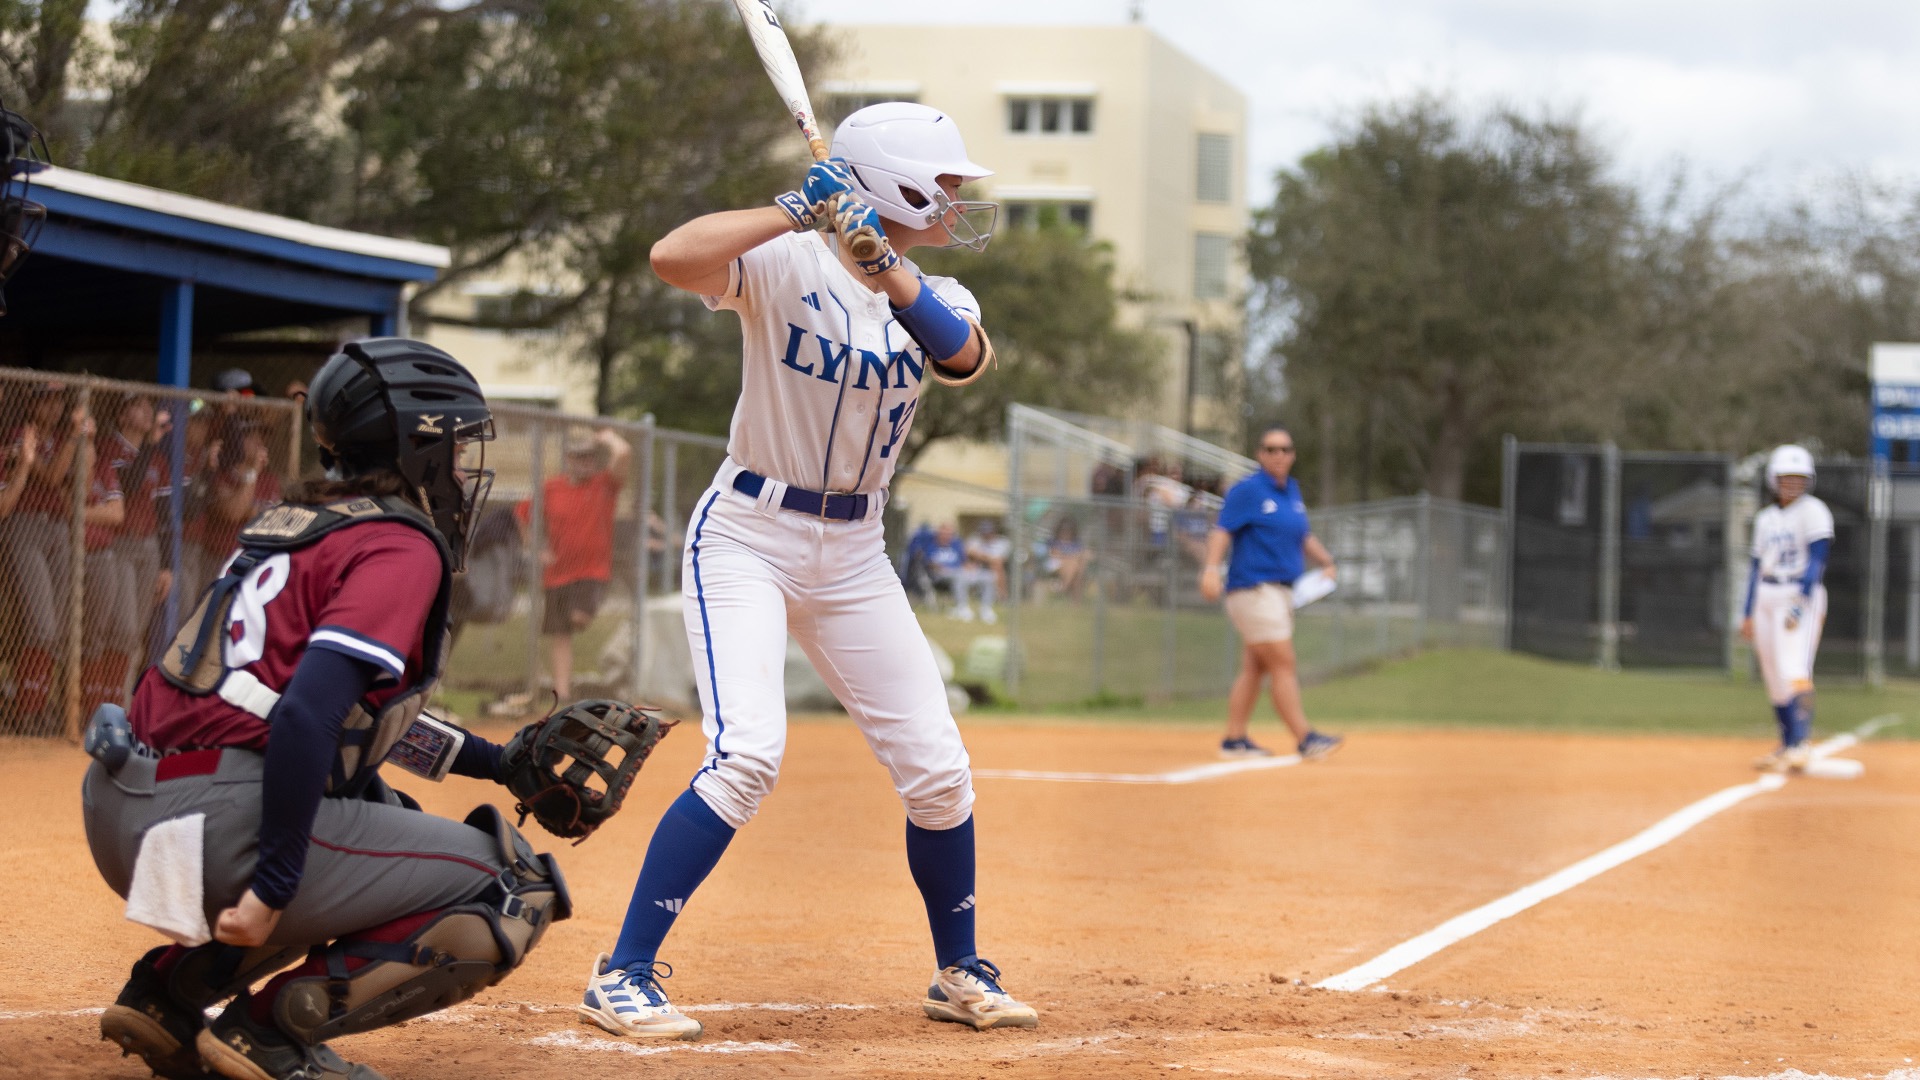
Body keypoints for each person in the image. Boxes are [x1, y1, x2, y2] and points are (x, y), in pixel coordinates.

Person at [580, 101, 1036, 1040]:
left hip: (856, 553)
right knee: (746, 754)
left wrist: (886, 266)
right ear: (895, 182)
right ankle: (622, 973)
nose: (953, 201)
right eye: (942, 186)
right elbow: (672, 257)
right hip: (749, 531)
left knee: (940, 773)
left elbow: (964, 354)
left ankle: (959, 970)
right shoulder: (782, 262)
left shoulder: (940, 293)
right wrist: (798, 208)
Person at [84, 338, 570, 1080]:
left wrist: (496, 763)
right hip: (219, 824)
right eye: (458, 446)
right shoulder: (400, 542)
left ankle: (168, 995)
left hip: (129, 807)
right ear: (419, 446)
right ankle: (271, 1034)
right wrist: (271, 891)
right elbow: (307, 716)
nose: (466, 470)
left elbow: (331, 709)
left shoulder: (295, 523)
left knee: (372, 798)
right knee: (515, 885)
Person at [1198, 426, 1344, 761]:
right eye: (1270, 449)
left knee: (1255, 667)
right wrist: (1209, 569)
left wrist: (1326, 561)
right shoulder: (1248, 491)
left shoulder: (1291, 491)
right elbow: (1222, 531)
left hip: (1281, 593)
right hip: (1253, 590)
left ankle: (1234, 740)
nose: (1278, 455)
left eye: (1285, 449)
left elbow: (1302, 535)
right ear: (1260, 454)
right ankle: (1305, 738)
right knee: (1282, 662)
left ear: (1292, 455)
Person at [515, 427, 630, 699]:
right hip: (557, 574)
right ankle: (562, 693)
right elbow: (522, 515)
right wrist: (536, 548)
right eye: (579, 457)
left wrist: (608, 438)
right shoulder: (552, 488)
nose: (585, 462)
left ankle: (564, 685)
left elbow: (624, 453)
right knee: (560, 634)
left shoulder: (604, 485)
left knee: (577, 618)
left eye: (590, 457)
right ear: (569, 459)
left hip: (592, 571)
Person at [1, 382, 91, 725]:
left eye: (57, 400)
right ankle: (24, 711)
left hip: (56, 528)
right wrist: (73, 436)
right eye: (45, 400)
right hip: (25, 525)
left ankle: (38, 708)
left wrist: (82, 440)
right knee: (43, 626)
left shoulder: (59, 438)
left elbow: (78, 481)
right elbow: (53, 477)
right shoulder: (20, 433)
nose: (54, 407)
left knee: (61, 626)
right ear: (31, 403)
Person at [1740, 444, 1832, 772]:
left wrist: (1801, 600)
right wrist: (1747, 611)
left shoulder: (1814, 511)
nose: (1792, 483)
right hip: (1766, 594)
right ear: (1773, 480)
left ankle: (1801, 744)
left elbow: (1818, 559)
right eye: (1785, 477)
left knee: (1793, 667)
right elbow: (1755, 567)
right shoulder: (1765, 519)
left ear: (1809, 481)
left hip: (1797, 593)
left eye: (1799, 478)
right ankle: (1786, 744)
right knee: (1773, 673)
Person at [955, 518, 1010, 623]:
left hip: (991, 570)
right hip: (974, 569)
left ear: (993, 531)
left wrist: (981, 556)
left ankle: (987, 608)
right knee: (963, 574)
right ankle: (962, 607)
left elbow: (1000, 561)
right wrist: (987, 558)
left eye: (988, 531)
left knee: (994, 573)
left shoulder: (1002, 542)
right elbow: (969, 552)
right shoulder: (975, 539)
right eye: (984, 531)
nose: (986, 534)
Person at [1046, 516, 1089, 599]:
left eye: (1069, 530)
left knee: (1075, 567)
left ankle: (1066, 591)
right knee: (1073, 564)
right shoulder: (1054, 541)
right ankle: (1065, 589)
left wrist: (1072, 557)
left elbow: (1084, 554)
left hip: (1072, 566)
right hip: (1056, 565)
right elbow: (1054, 554)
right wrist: (1071, 557)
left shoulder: (1076, 543)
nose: (1066, 532)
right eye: (1063, 530)